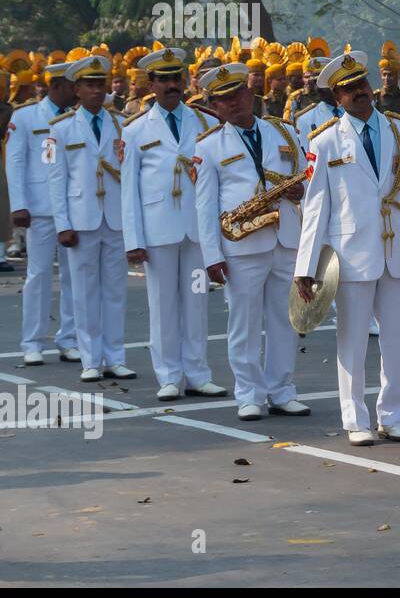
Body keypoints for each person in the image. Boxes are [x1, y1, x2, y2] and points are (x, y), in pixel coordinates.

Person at [295, 52, 400, 443]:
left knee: (395, 340)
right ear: (337, 97)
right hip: (350, 255)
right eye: (348, 89)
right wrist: (306, 267)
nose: (359, 92)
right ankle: (356, 420)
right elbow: (315, 208)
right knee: (353, 340)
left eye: (361, 83)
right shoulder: (325, 141)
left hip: (395, 250)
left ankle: (393, 416)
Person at [195, 63, 310, 421]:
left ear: (249, 94)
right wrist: (211, 255)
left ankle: (282, 390)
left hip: (285, 236)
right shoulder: (208, 146)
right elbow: (204, 206)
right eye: (223, 99)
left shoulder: (284, 132)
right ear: (214, 106)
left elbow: (307, 176)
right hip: (240, 244)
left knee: (285, 319)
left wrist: (301, 189)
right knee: (243, 324)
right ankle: (249, 394)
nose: (232, 103)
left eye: (237, 94)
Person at [121, 48, 226, 401]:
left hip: (196, 229)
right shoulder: (135, 130)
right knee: (163, 305)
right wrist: (133, 239)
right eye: (163, 79)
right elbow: (129, 190)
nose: (171, 85)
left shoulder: (205, 122)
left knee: (196, 301)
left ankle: (197, 373)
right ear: (151, 84)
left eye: (175, 78)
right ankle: (168, 375)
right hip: (158, 230)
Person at [48, 55, 135, 383]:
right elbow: (55, 180)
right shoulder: (59, 129)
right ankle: (90, 359)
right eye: (89, 85)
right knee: (84, 293)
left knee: (115, 290)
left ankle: (115, 357)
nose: (97, 90)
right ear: (77, 89)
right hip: (80, 219)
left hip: (115, 218)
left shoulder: (122, 124)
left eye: (100, 84)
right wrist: (62, 225)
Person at [6, 59, 79, 364]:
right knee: (38, 276)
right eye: (73, 86)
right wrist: (19, 204)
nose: (77, 91)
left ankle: (69, 338)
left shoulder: (77, 118)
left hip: (74, 207)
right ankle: (32, 342)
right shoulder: (25, 117)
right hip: (40, 208)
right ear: (56, 86)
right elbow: (15, 161)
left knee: (74, 277)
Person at [376, 41, 400, 113]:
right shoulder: (375, 98)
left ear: (397, 76)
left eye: (390, 75)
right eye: (384, 75)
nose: (386, 78)